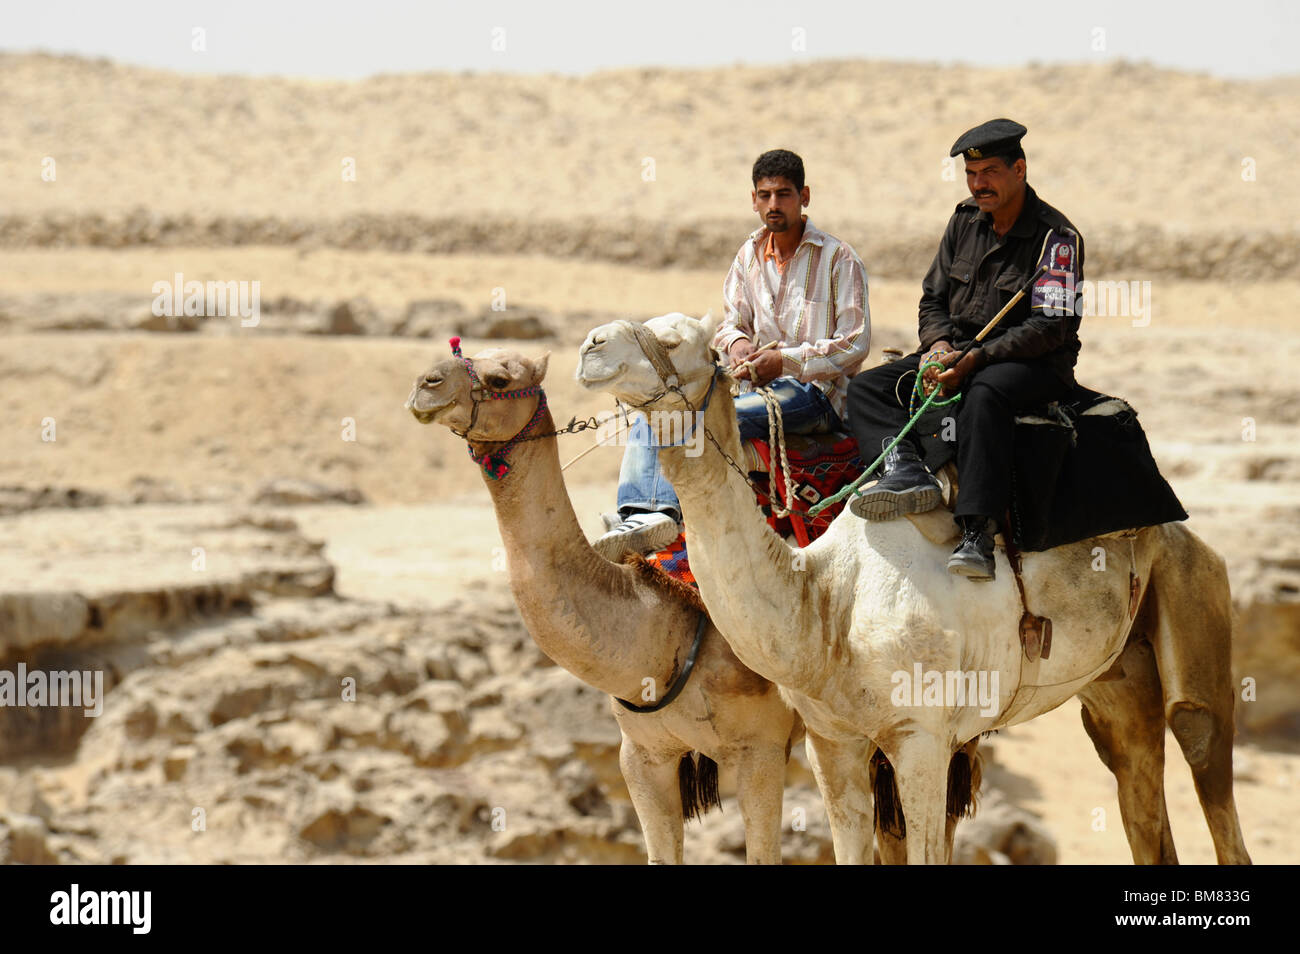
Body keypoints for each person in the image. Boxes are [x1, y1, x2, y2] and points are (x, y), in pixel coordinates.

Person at [594, 148, 871, 559]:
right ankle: (639, 512)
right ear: (754, 200)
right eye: (765, 195)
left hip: (815, 395)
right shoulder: (747, 257)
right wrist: (738, 344)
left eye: (784, 194)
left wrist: (785, 361)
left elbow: (855, 342)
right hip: (751, 390)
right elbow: (728, 324)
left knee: (695, 419)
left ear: (805, 196)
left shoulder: (838, 258)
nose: (774, 204)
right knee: (658, 408)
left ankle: (661, 514)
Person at [844, 119, 1085, 582]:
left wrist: (977, 359)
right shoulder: (963, 222)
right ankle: (906, 469)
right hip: (955, 353)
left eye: (990, 172)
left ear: (1020, 169)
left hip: (1030, 364)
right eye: (972, 175)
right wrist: (936, 346)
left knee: (984, 395)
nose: (979, 185)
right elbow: (932, 298)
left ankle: (976, 531)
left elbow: (1050, 327)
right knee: (871, 388)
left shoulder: (1057, 240)